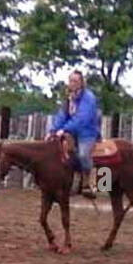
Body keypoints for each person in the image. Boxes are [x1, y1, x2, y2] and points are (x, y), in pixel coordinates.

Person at [48, 69, 101, 199]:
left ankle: (88, 183)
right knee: (59, 153)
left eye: (75, 81)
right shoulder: (70, 98)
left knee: (83, 154)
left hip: (87, 133)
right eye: (71, 81)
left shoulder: (88, 98)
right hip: (72, 133)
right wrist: (53, 131)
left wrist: (65, 129)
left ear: (82, 83)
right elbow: (62, 115)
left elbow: (82, 118)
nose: (72, 83)